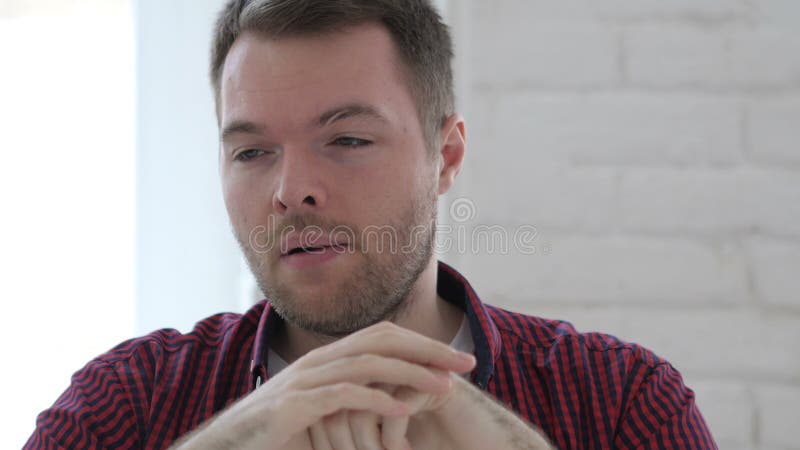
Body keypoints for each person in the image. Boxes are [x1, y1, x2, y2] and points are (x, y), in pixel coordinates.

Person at [25, 1, 717, 449]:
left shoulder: (619, 402)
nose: (292, 190)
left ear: (444, 157)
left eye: (347, 140)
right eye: (252, 152)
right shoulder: (127, 403)